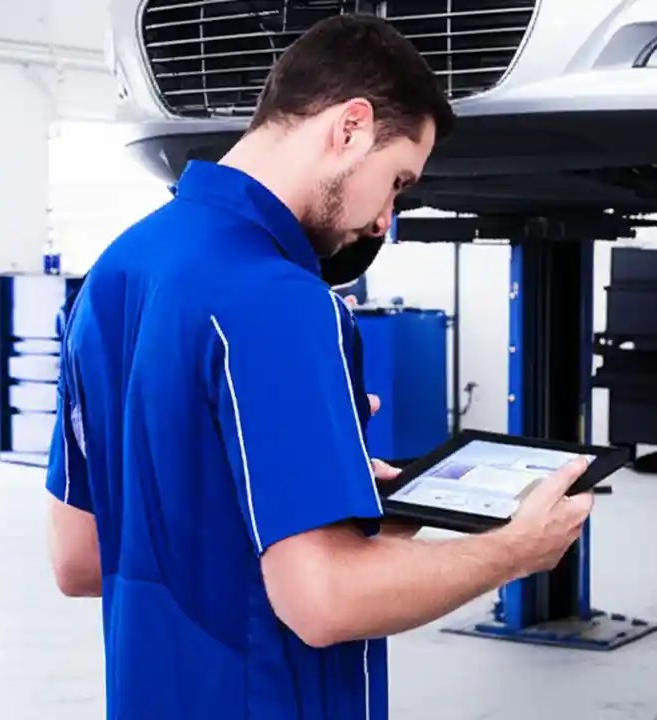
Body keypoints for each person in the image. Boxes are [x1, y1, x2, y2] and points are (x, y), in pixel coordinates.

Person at [44, 13, 594, 720]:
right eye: (397, 180)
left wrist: (312, 496)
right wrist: (517, 552)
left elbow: (82, 559)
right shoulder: (280, 300)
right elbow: (325, 602)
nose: (382, 222)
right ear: (350, 127)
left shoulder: (118, 271)